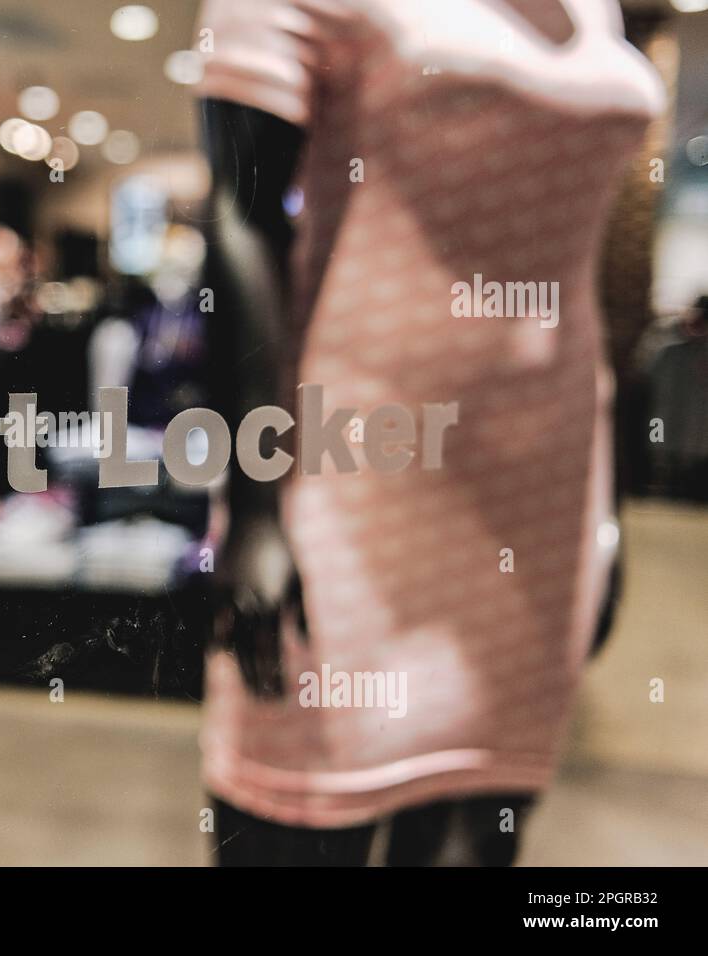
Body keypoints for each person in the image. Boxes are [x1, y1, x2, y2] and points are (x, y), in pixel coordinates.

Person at [194, 0, 662, 864]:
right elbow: (240, 216)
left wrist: (609, 503)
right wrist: (254, 505)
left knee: (481, 819)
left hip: (546, 480)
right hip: (353, 467)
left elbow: (586, 258)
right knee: (304, 802)